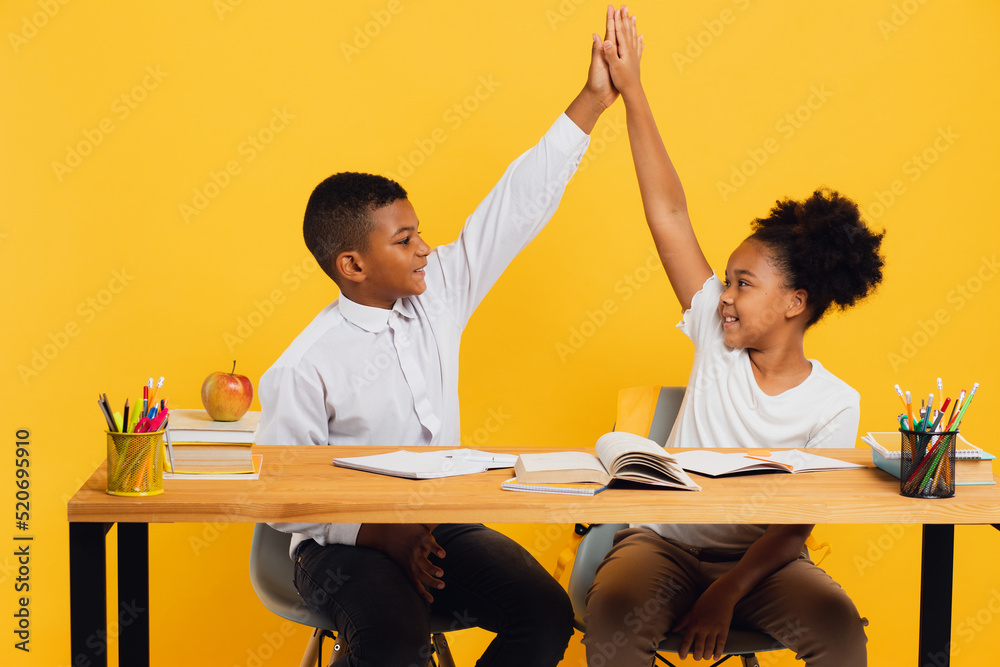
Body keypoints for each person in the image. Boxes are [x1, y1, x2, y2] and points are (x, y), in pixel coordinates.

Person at [256, 13, 623, 667]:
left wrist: (594, 100)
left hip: (441, 521)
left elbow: (516, 205)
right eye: (405, 241)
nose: (426, 248)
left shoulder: (439, 294)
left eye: (419, 232)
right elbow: (284, 500)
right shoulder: (304, 366)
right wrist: (381, 535)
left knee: (543, 615)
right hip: (341, 545)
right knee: (394, 636)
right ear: (353, 265)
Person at [582, 8, 884, 667]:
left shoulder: (834, 402)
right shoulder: (715, 337)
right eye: (726, 280)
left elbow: (795, 527)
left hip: (762, 563)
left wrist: (728, 590)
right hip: (661, 545)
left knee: (840, 634)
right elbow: (668, 212)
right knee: (613, 622)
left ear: (794, 304)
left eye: (743, 284)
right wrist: (633, 91)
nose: (724, 295)